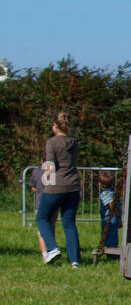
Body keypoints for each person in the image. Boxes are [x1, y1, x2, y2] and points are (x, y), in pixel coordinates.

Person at [35, 111, 81, 267]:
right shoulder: (74, 142)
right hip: (73, 186)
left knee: (41, 218)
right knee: (69, 224)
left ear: (54, 126)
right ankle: (74, 260)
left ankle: (52, 248)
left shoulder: (52, 142)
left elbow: (50, 164)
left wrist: (46, 182)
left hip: (56, 185)